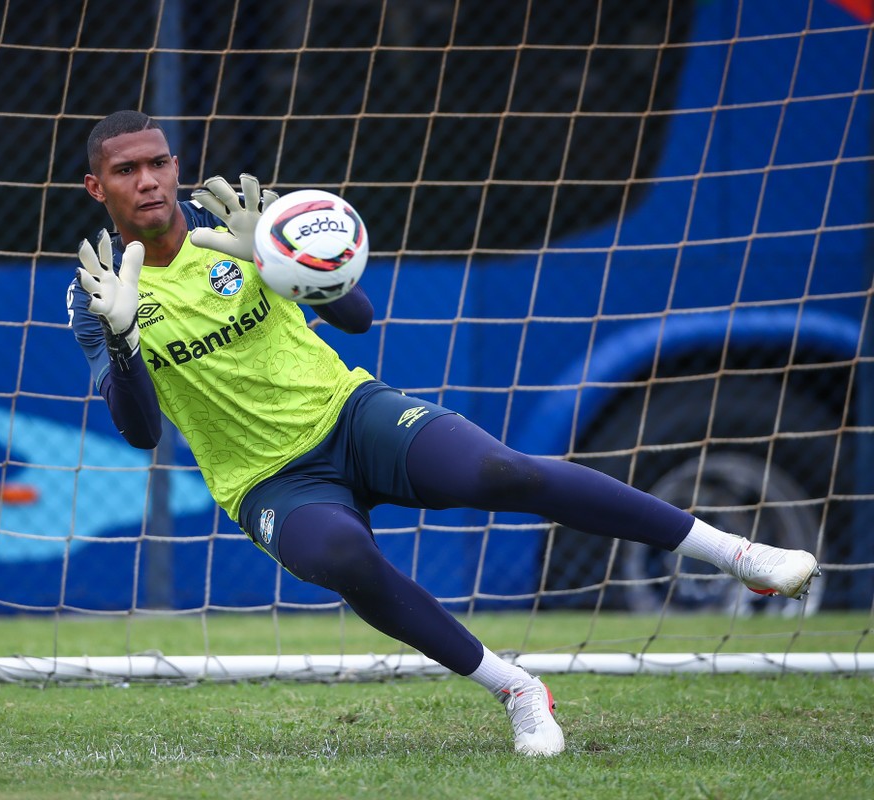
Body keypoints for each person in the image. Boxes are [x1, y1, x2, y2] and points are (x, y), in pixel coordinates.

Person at [66, 110, 821, 756]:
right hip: (268, 480)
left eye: (159, 162)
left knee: (504, 472)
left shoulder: (240, 237)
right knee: (339, 555)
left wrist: (286, 260)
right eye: (128, 170)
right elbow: (138, 431)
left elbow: (359, 319)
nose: (150, 181)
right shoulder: (96, 294)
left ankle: (739, 554)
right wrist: (125, 340)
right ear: (100, 188)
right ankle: (517, 688)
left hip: (354, 415)